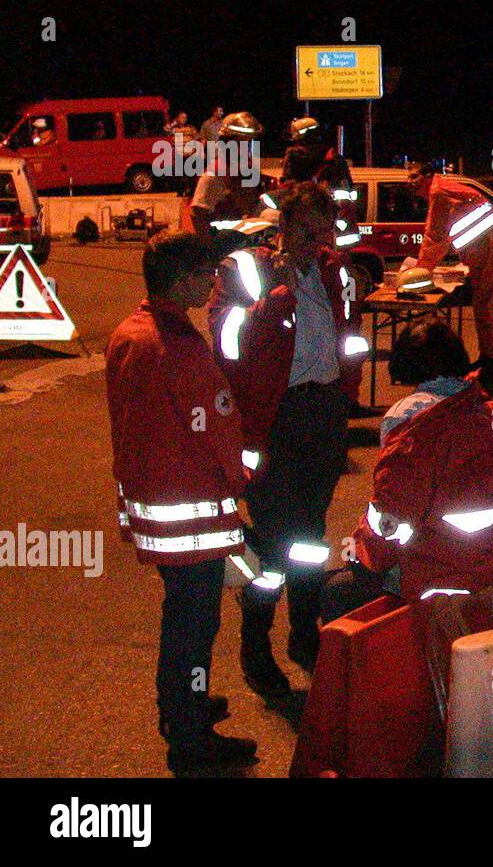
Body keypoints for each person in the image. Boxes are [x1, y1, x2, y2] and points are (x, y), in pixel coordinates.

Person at [105, 232, 258, 774]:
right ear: (180, 280)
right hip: (190, 510)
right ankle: (189, 732)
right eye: (204, 272)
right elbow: (217, 429)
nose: (212, 281)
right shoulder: (178, 347)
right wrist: (241, 480)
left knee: (182, 617)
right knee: (195, 626)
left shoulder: (129, 333)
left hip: (152, 504)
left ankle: (181, 704)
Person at [209, 182, 368, 696]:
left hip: (321, 414)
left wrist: (346, 391)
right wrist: (274, 300)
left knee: (310, 535)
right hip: (269, 420)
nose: (317, 241)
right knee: (277, 542)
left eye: (325, 230)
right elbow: (228, 346)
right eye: (307, 230)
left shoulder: (334, 269)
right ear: (283, 227)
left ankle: (304, 632)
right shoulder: (245, 271)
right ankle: (255, 645)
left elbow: (351, 334)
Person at [320, 319, 493, 623]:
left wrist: (361, 555)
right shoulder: (486, 410)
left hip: (437, 567)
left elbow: (393, 512)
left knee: (337, 592)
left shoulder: (410, 420)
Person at [406, 159, 493, 387]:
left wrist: (420, 271)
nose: (409, 182)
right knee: (485, 302)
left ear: (428, 175)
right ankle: (489, 358)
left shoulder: (439, 192)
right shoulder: (442, 189)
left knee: (489, 303)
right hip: (485, 244)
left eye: (414, 176)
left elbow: (435, 237)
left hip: (487, 245)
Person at [190, 111, 262, 239]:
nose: (248, 147)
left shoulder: (250, 172)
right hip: (222, 247)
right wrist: (210, 248)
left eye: (250, 142)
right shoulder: (213, 176)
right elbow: (198, 215)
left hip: (247, 245)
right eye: (243, 142)